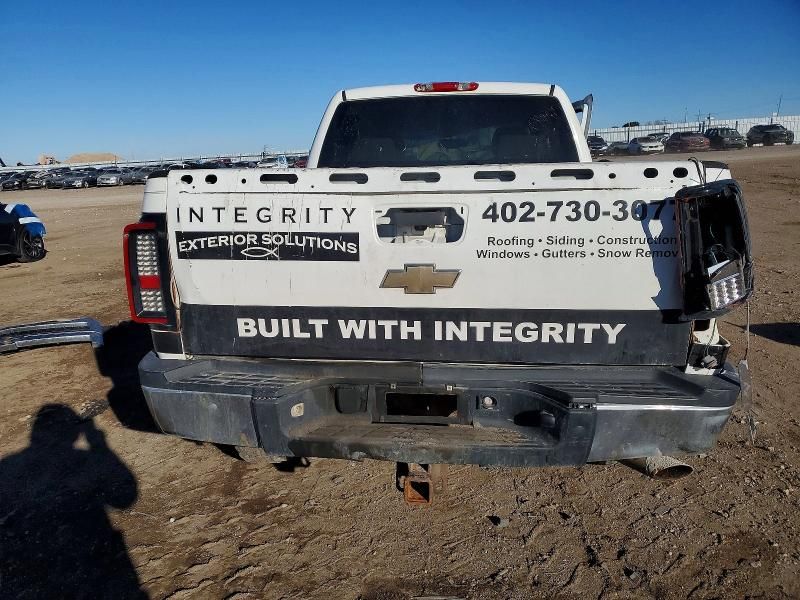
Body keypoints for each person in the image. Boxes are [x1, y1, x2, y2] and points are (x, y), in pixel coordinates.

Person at [0, 404, 146, 599]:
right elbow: (125, 499)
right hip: (89, 569)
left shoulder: (8, 466)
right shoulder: (85, 460)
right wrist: (98, 444)